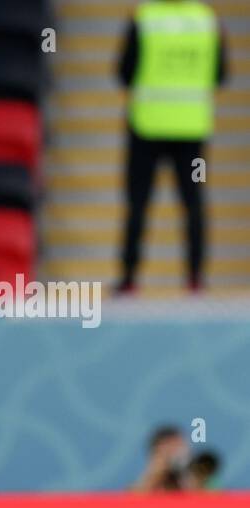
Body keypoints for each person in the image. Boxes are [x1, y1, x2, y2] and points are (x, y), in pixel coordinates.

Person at [116, 0, 228, 292]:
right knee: (194, 204)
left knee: (138, 204)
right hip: (192, 131)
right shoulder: (207, 20)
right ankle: (195, 280)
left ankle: (129, 280)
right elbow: (220, 74)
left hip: (146, 128)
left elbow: (124, 73)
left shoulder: (145, 17)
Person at [132, 424, 189, 492]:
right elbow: (131, 499)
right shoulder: (146, 486)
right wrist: (154, 474)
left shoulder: (193, 480)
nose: (177, 455)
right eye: (169, 450)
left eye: (180, 448)